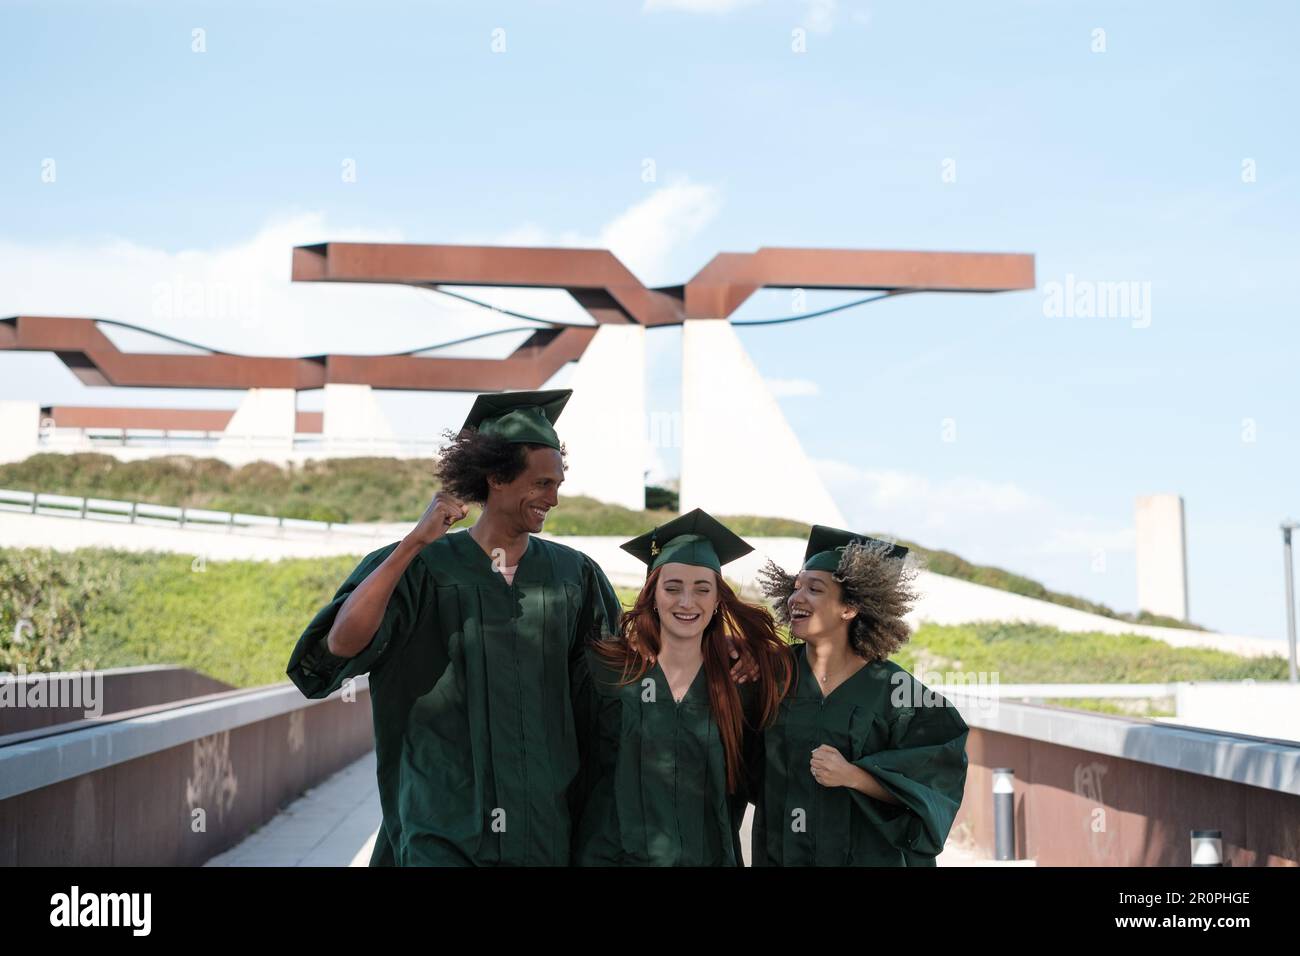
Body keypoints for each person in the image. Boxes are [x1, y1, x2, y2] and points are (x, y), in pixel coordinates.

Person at [286, 388, 623, 866]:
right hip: (441, 822)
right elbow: (339, 646)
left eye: (557, 483)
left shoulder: (575, 576)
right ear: (496, 478)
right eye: (543, 483)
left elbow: (614, 689)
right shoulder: (421, 567)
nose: (554, 498)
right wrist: (412, 543)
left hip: (541, 827)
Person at [572, 508, 793, 866]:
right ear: (652, 596)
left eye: (702, 589)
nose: (687, 602)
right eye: (672, 588)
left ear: (718, 599)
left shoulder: (742, 681)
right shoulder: (606, 672)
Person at [750, 526, 969, 866]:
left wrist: (855, 776)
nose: (797, 598)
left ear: (849, 608)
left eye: (815, 589)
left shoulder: (896, 690)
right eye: (796, 588)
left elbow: (934, 783)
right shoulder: (772, 675)